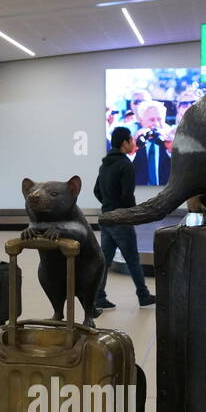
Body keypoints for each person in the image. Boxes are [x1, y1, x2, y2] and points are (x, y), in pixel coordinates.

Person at [93, 127, 156, 311]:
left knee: (105, 258)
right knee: (133, 259)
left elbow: (97, 190)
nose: (134, 143)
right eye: (131, 140)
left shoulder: (105, 165)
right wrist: (128, 212)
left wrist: (108, 205)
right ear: (124, 143)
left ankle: (99, 296)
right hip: (121, 219)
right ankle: (143, 296)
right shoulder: (126, 165)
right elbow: (128, 196)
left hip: (106, 218)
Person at [132, 100, 172, 186]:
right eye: (152, 120)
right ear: (142, 121)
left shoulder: (170, 141)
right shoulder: (136, 141)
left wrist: (170, 150)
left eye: (159, 119)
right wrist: (134, 148)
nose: (156, 124)